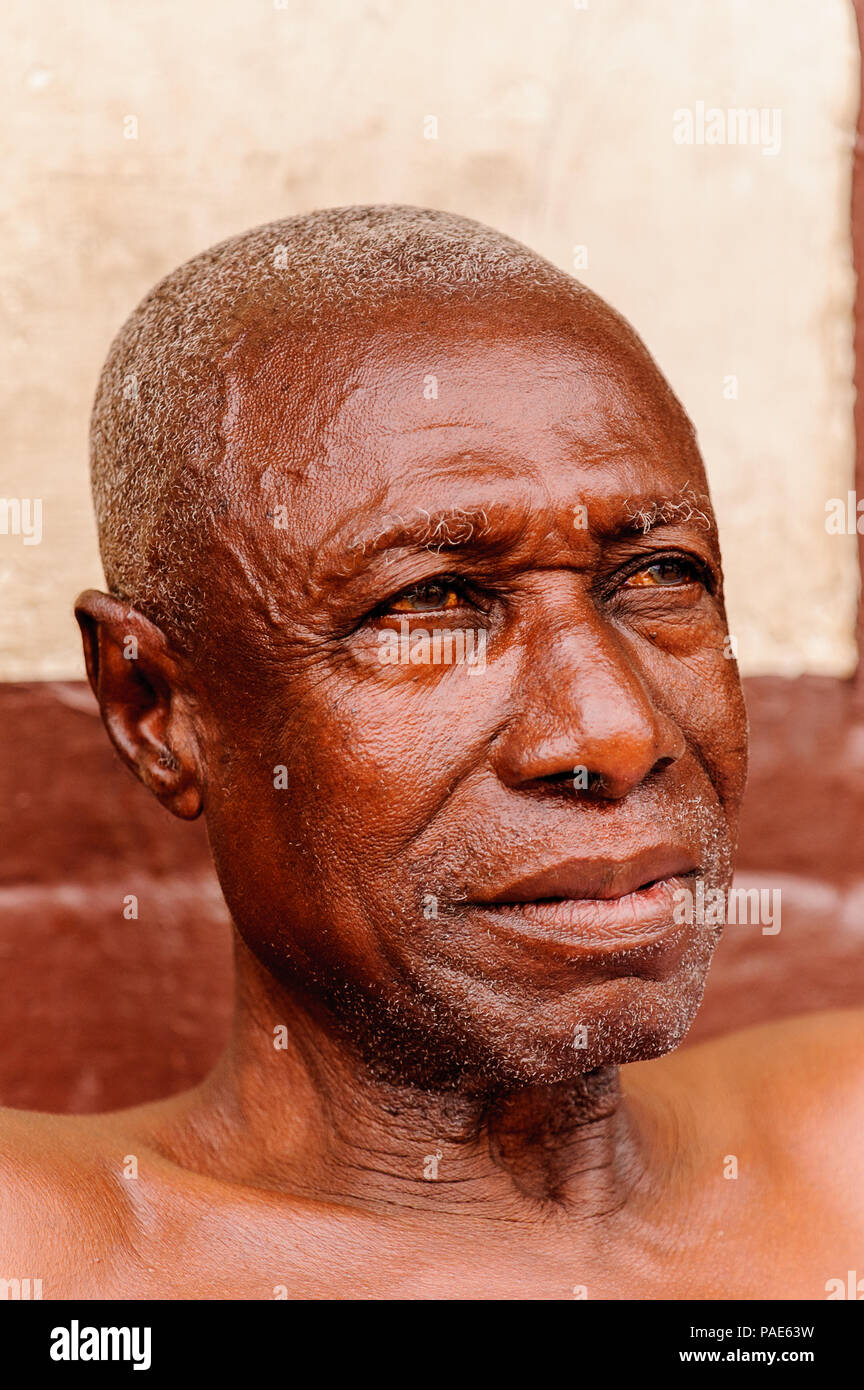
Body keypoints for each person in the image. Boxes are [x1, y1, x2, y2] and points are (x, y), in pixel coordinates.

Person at [2, 206, 861, 1299]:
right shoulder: (47, 1260)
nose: (614, 732)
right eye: (433, 603)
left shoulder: (847, 1162)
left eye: (657, 575)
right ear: (156, 706)